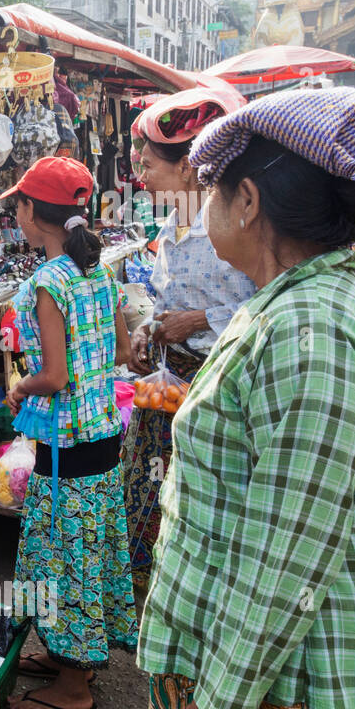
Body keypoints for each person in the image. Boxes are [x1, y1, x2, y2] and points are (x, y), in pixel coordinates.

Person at [138, 89, 355, 709]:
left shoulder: (310, 327)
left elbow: (290, 543)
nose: (202, 209)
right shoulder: (289, 308)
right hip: (243, 678)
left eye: (213, 192)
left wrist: (224, 700)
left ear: (249, 202)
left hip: (272, 700)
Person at [2, 156, 137, 709]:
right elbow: (125, 353)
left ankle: (75, 685)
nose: (16, 213)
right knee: (92, 549)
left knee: (64, 556)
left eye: (19, 204)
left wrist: (17, 387)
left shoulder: (47, 282)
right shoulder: (99, 273)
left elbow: (54, 377)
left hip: (67, 442)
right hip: (104, 434)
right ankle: (68, 659)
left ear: (33, 212)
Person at [120, 89, 256, 591]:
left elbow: (263, 306)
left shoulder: (236, 226)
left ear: (186, 169)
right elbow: (160, 298)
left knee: (202, 500)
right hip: (168, 384)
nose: (140, 174)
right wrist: (147, 329)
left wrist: (199, 319)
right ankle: (157, 582)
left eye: (148, 163)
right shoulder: (171, 225)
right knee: (151, 487)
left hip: (215, 385)